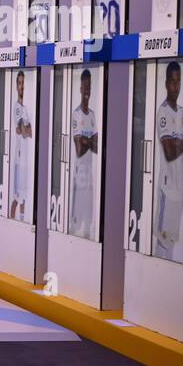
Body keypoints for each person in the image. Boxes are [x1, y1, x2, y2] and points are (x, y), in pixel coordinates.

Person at [154, 61, 183, 262]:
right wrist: (181, 142)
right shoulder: (163, 113)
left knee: (173, 242)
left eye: (178, 82)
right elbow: (169, 153)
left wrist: (178, 142)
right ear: (166, 83)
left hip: (179, 192)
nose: (175, 87)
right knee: (163, 243)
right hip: (167, 191)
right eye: (172, 82)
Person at [70, 69, 99, 239]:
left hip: (90, 177)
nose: (87, 90)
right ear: (80, 88)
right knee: (75, 225)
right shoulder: (76, 114)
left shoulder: (93, 115)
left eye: (89, 87)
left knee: (88, 224)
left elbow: (96, 146)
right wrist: (89, 140)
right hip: (78, 177)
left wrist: (86, 139)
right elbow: (79, 149)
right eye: (84, 86)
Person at [10, 70, 32, 221]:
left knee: (24, 197)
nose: (22, 86)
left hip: (26, 160)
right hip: (19, 160)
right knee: (16, 197)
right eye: (19, 83)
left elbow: (30, 132)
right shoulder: (17, 107)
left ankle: (22, 221)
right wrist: (27, 128)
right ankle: (11, 221)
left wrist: (27, 129)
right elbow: (24, 132)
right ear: (16, 86)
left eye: (23, 82)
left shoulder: (27, 107)